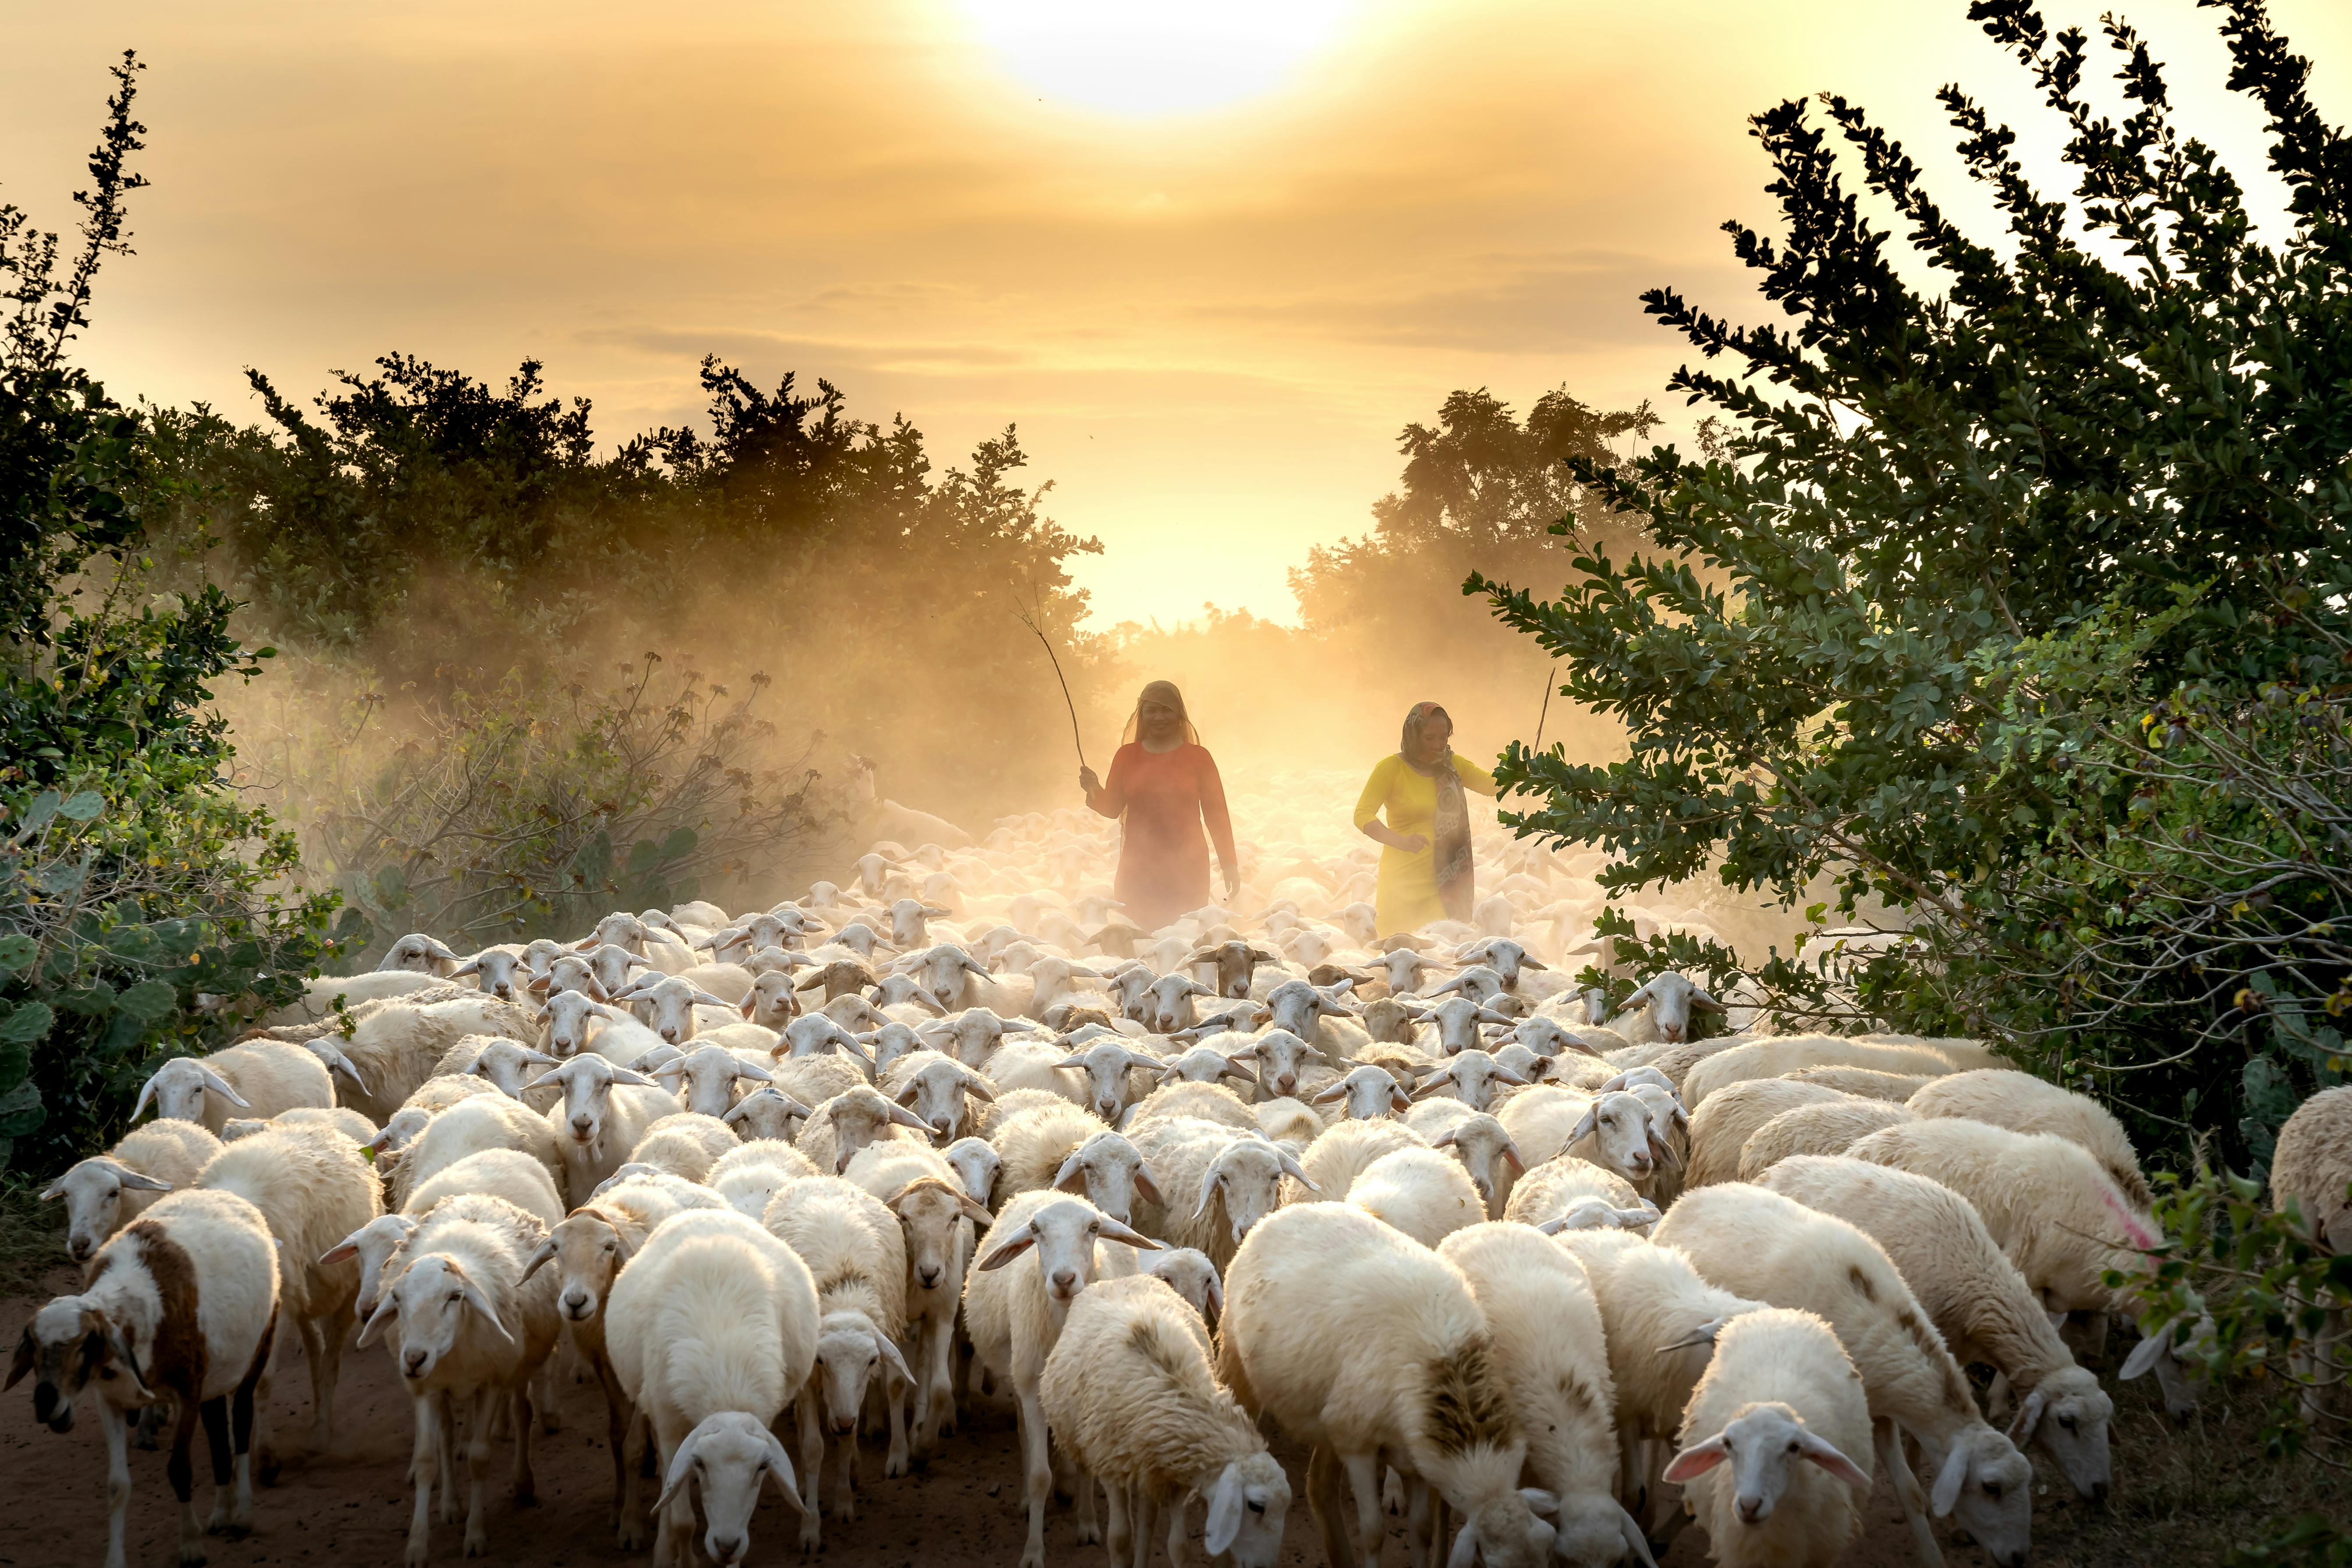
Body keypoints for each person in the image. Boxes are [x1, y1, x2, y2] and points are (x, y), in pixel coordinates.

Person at [1079, 680, 1239, 930]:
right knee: (1136, 933)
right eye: (1151, 711)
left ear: (1179, 715)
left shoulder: (1199, 758)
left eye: (1167, 710)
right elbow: (1111, 808)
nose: (1159, 717)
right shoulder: (1126, 756)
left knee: (1184, 934)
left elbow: (1217, 814)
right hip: (1138, 866)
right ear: (1141, 716)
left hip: (1188, 867)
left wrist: (1229, 865)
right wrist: (1094, 788)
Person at [1353, 701, 1498, 936]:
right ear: (1413, 735)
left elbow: (1491, 786)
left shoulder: (1453, 765)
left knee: (1444, 945)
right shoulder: (1391, 768)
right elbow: (1362, 814)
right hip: (1401, 882)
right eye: (1429, 738)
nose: (1438, 745)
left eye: (1444, 737)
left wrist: (1524, 769)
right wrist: (1401, 841)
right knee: (1398, 946)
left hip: (1446, 881)